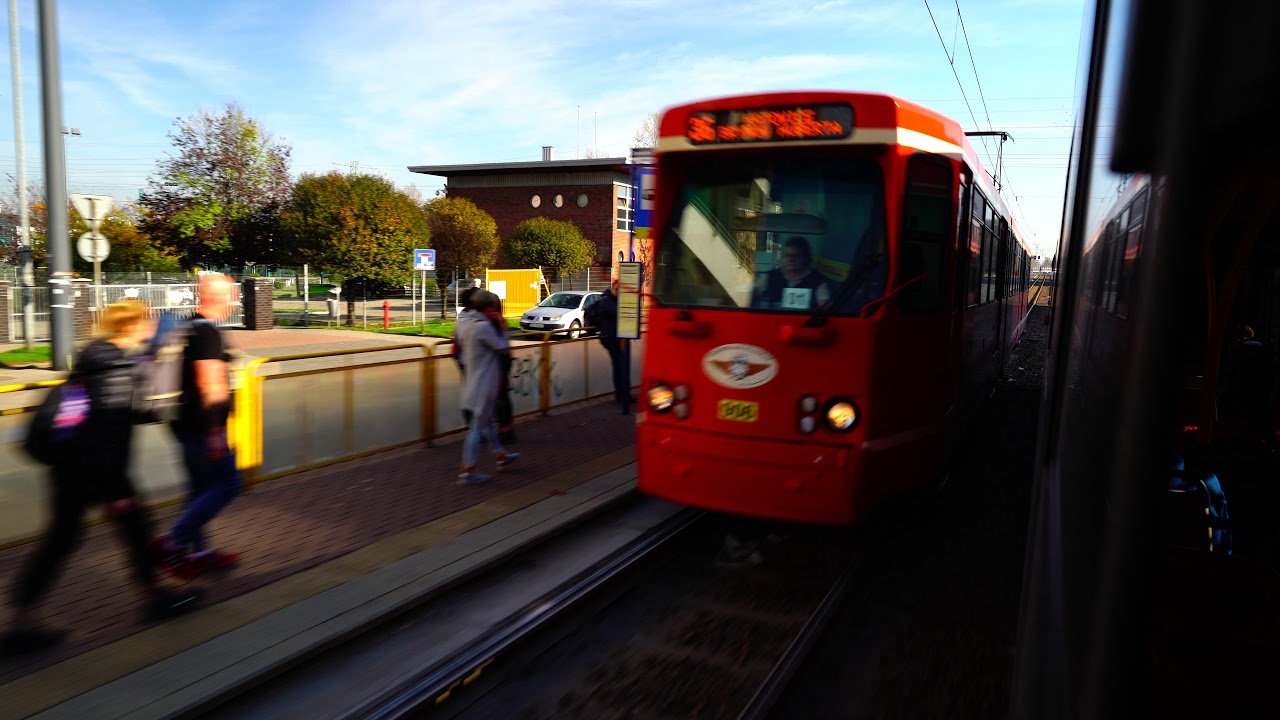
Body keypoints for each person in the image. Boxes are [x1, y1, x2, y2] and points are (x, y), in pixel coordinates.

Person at [3, 301, 201, 657]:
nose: (152, 325)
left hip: (73, 468)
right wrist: (115, 489)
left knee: (71, 538)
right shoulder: (114, 366)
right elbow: (106, 430)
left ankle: (21, 620)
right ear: (131, 326)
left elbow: (122, 412)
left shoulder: (104, 360)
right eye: (147, 319)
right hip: (96, 470)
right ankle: (152, 598)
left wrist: (150, 396)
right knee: (127, 529)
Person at [153, 274, 242, 579]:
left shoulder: (190, 325)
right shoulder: (207, 333)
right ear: (220, 298)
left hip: (184, 421)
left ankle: (200, 553)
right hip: (203, 426)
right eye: (233, 295)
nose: (236, 301)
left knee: (199, 489)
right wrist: (215, 431)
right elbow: (209, 383)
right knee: (228, 484)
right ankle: (174, 542)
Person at [456, 291, 519, 484]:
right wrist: (502, 326)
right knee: (476, 428)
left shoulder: (467, 323)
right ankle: (468, 470)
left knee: (490, 423)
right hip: (483, 385)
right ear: (489, 308)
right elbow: (503, 347)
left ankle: (500, 455)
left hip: (475, 382)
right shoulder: (482, 327)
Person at [757, 236, 835, 310]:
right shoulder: (769, 277)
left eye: (795, 255)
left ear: (805, 257)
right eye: (787, 255)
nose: (791, 259)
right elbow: (753, 301)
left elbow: (826, 308)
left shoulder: (818, 281)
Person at [589, 282, 628, 408]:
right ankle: (620, 395)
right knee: (619, 366)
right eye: (617, 289)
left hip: (617, 337)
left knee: (621, 365)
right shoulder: (607, 300)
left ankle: (623, 394)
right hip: (610, 338)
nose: (619, 292)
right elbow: (618, 313)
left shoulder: (612, 300)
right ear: (612, 289)